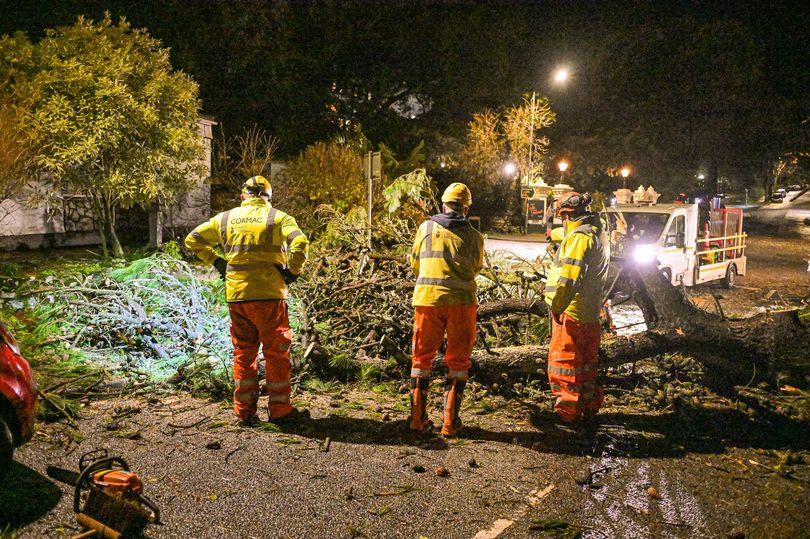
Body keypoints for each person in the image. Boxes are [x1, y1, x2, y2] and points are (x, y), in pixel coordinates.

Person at [185, 175, 309, 425]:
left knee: (244, 352)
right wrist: (292, 272)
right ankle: (280, 411)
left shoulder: (225, 218)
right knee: (276, 354)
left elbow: (193, 239)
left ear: (243, 196)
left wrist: (218, 262)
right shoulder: (278, 217)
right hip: (270, 294)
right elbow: (300, 242)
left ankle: (243, 412)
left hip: (237, 296)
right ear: (268, 197)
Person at [408, 182, 485, 436]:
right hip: (462, 303)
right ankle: (450, 423)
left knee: (421, 360)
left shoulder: (425, 228)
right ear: (466, 208)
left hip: (427, 300)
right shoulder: (475, 236)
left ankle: (417, 420)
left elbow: (415, 263)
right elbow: (476, 268)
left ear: (443, 204)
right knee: (459, 362)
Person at [543, 192, 610, 424]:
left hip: (570, 311)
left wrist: (557, 306)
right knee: (586, 366)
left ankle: (568, 414)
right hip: (590, 313)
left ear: (568, 216)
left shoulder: (579, 238)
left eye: (562, 218)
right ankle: (589, 407)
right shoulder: (597, 233)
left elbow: (569, 279)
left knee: (565, 364)